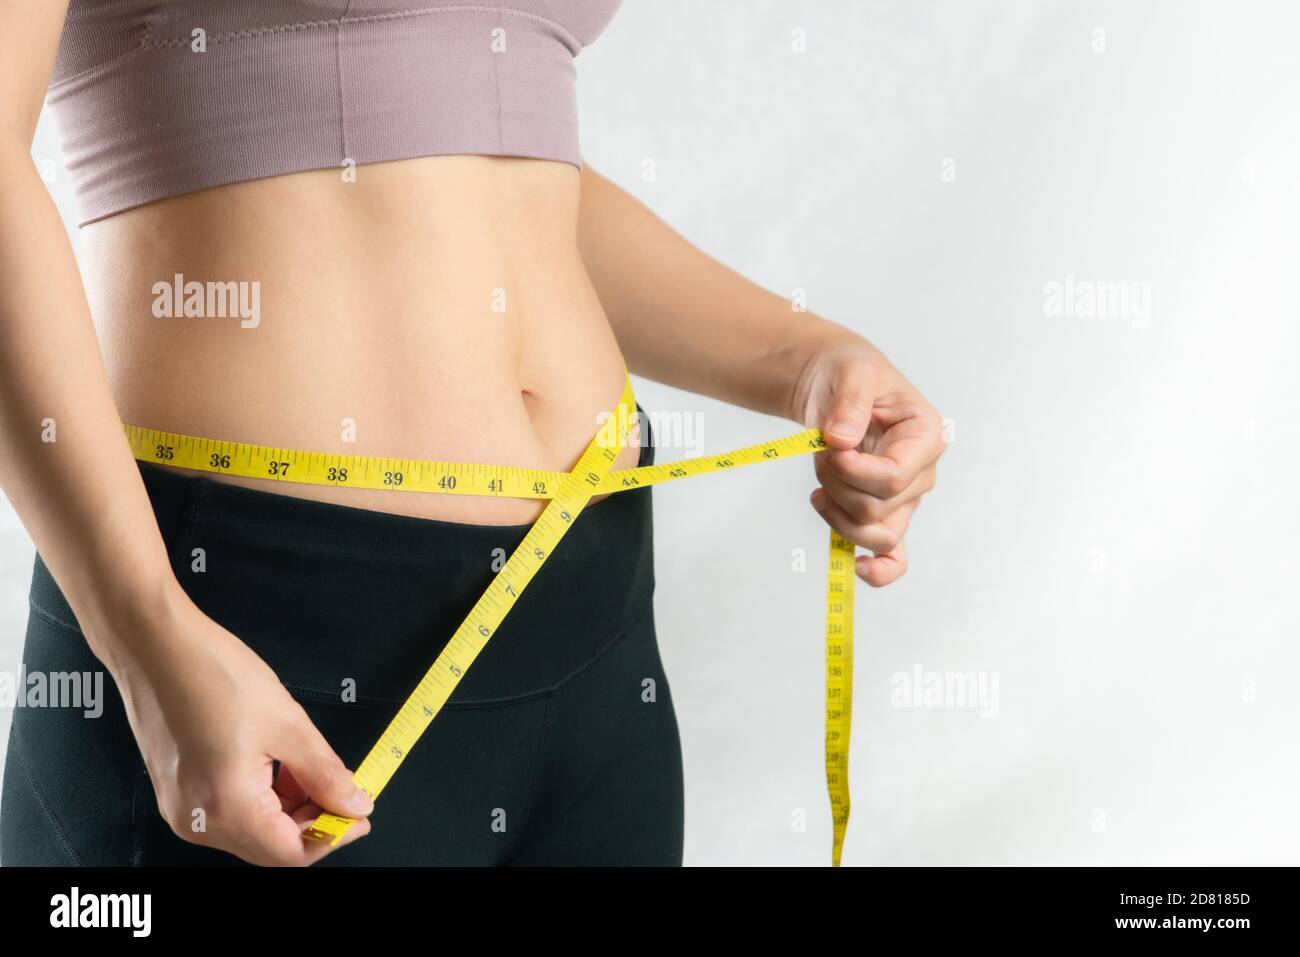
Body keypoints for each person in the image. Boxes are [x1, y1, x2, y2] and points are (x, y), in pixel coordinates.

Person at [0, 0, 944, 866]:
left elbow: (492, 164)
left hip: (595, 617)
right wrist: (146, 635)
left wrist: (805, 358)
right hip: (241, 631)